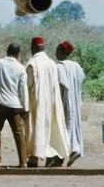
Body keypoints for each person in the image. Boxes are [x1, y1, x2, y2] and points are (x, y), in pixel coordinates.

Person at [24, 35, 70, 168]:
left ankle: (34, 158)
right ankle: (50, 155)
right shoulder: (51, 63)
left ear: (33, 48)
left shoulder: (32, 64)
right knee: (49, 126)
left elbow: (28, 84)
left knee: (36, 128)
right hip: (51, 102)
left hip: (36, 102)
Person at [0, 42, 29, 168]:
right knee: (19, 134)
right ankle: (23, 162)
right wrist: (25, 108)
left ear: (7, 51)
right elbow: (23, 90)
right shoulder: (21, 68)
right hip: (15, 105)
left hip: (1, 103)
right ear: (18, 54)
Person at [56, 40, 85, 167]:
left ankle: (61, 155)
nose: (55, 52)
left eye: (57, 50)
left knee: (64, 126)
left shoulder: (60, 67)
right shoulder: (77, 66)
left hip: (65, 100)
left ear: (63, 52)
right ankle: (75, 149)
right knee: (73, 126)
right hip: (76, 100)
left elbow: (60, 85)